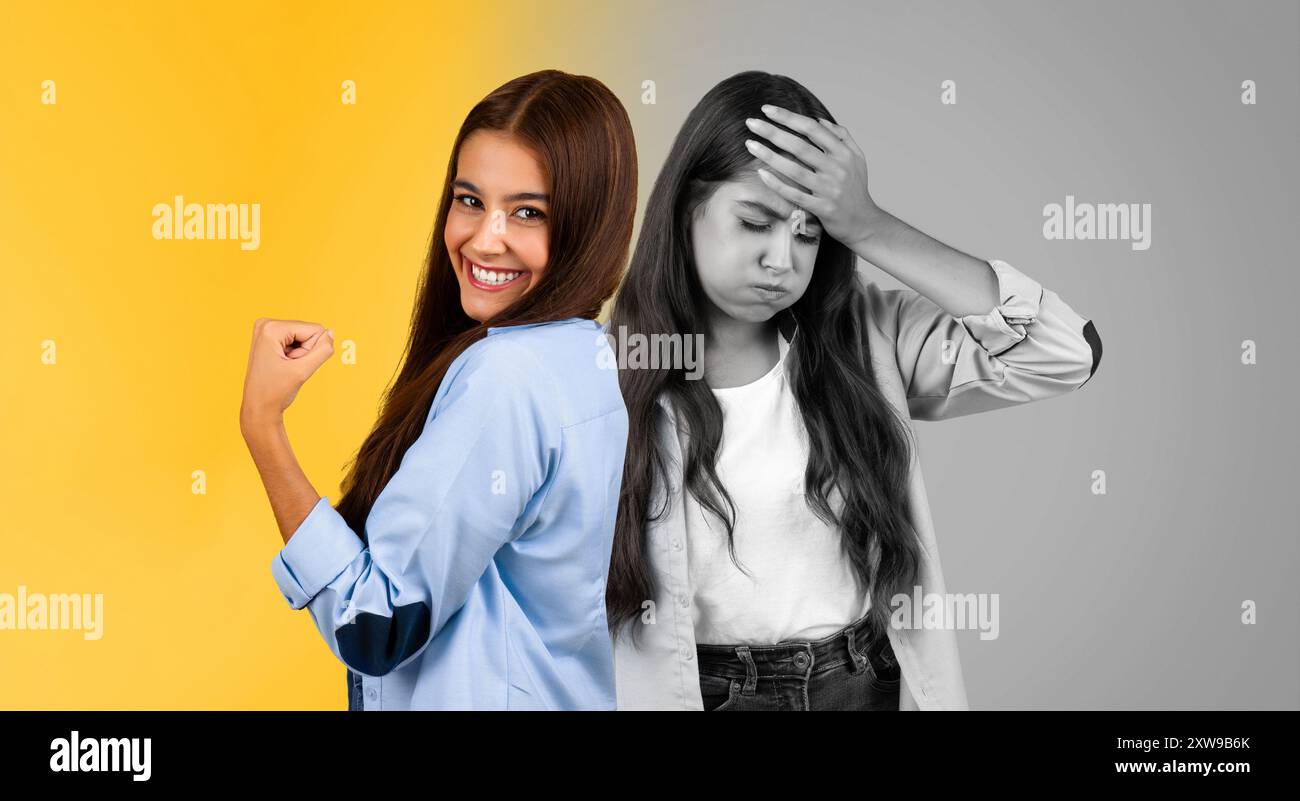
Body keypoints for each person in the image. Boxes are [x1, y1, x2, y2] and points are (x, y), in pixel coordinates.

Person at [606, 70, 1102, 710]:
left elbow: (1064, 353)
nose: (782, 261)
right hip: (701, 693)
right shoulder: (608, 367)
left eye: (809, 233)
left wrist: (869, 226)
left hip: (864, 687)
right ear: (683, 213)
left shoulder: (869, 341)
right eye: (755, 222)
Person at [240, 70, 637, 710]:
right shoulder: (586, 354)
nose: (483, 239)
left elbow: (374, 624)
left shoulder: (507, 377)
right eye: (470, 200)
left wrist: (263, 426)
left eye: (528, 212)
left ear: (588, 224)